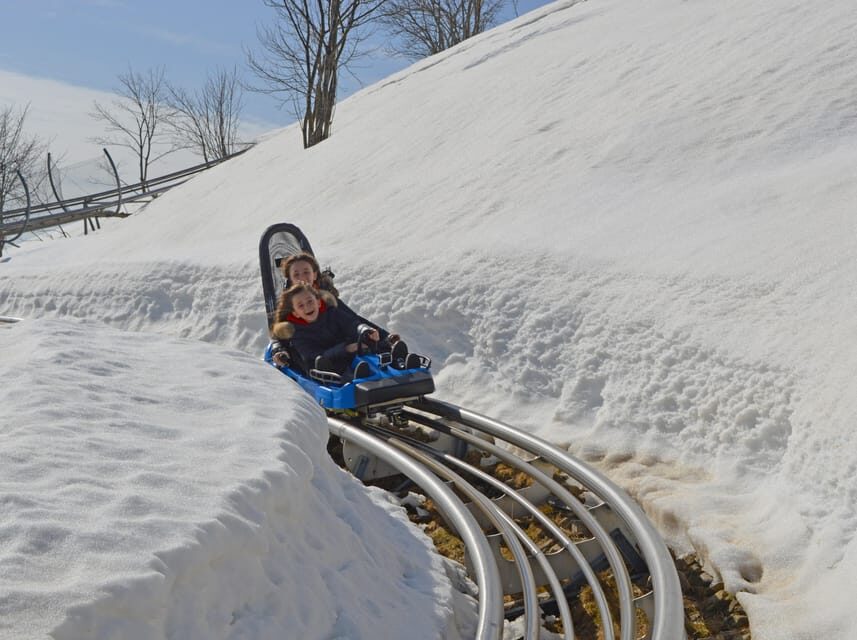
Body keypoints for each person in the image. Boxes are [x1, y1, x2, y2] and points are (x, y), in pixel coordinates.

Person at [271, 283, 416, 379]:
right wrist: (345, 349)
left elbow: (352, 324)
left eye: (310, 301)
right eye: (301, 306)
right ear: (295, 313)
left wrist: (365, 330)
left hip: (349, 353)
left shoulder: (332, 313)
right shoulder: (296, 333)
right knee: (339, 366)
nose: (307, 307)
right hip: (327, 364)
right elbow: (311, 356)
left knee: (368, 349)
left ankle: (398, 363)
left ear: (318, 301)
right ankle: (359, 378)